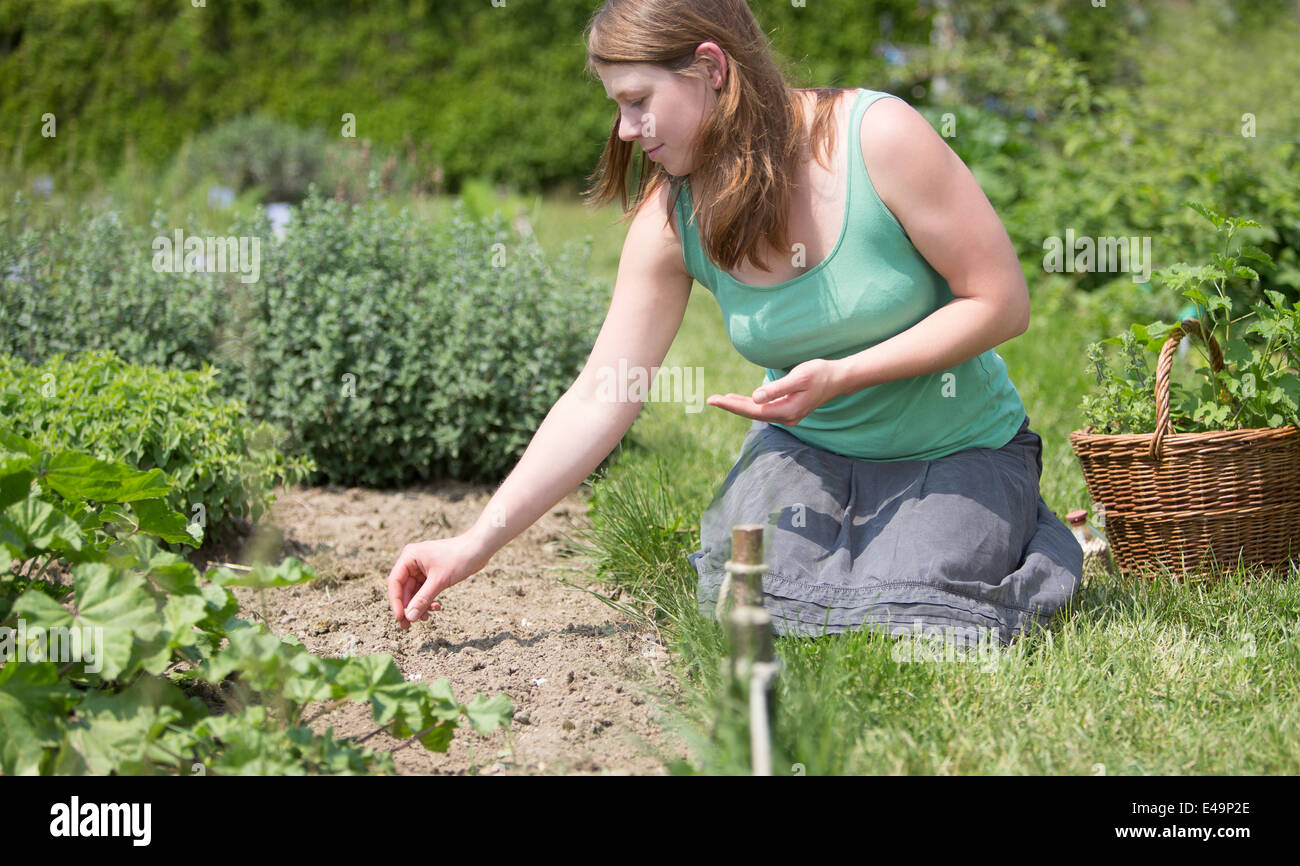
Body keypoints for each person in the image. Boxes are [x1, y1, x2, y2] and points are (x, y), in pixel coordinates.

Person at [388, 0, 1083, 646]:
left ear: (712, 69)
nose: (627, 130)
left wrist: (845, 374)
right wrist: (473, 541)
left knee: (923, 618)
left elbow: (1000, 303)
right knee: (752, 603)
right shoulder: (672, 217)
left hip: (954, 450)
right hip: (807, 457)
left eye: (637, 102)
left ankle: (1038, 539)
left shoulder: (879, 138)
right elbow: (604, 393)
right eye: (618, 107)